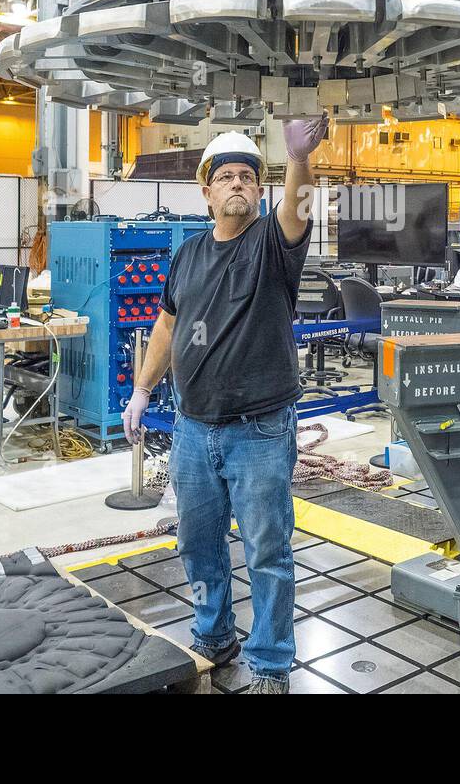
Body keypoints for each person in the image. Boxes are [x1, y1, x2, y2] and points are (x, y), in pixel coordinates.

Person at [122, 117, 327, 694]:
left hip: (259, 429)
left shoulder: (272, 244)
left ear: (260, 191)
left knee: (267, 549)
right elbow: (167, 324)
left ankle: (269, 662)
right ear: (206, 190)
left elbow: (300, 210)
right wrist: (142, 389)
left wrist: (299, 161)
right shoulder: (186, 255)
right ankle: (214, 635)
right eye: (226, 177)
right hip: (192, 428)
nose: (237, 184)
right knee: (198, 541)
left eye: (248, 177)